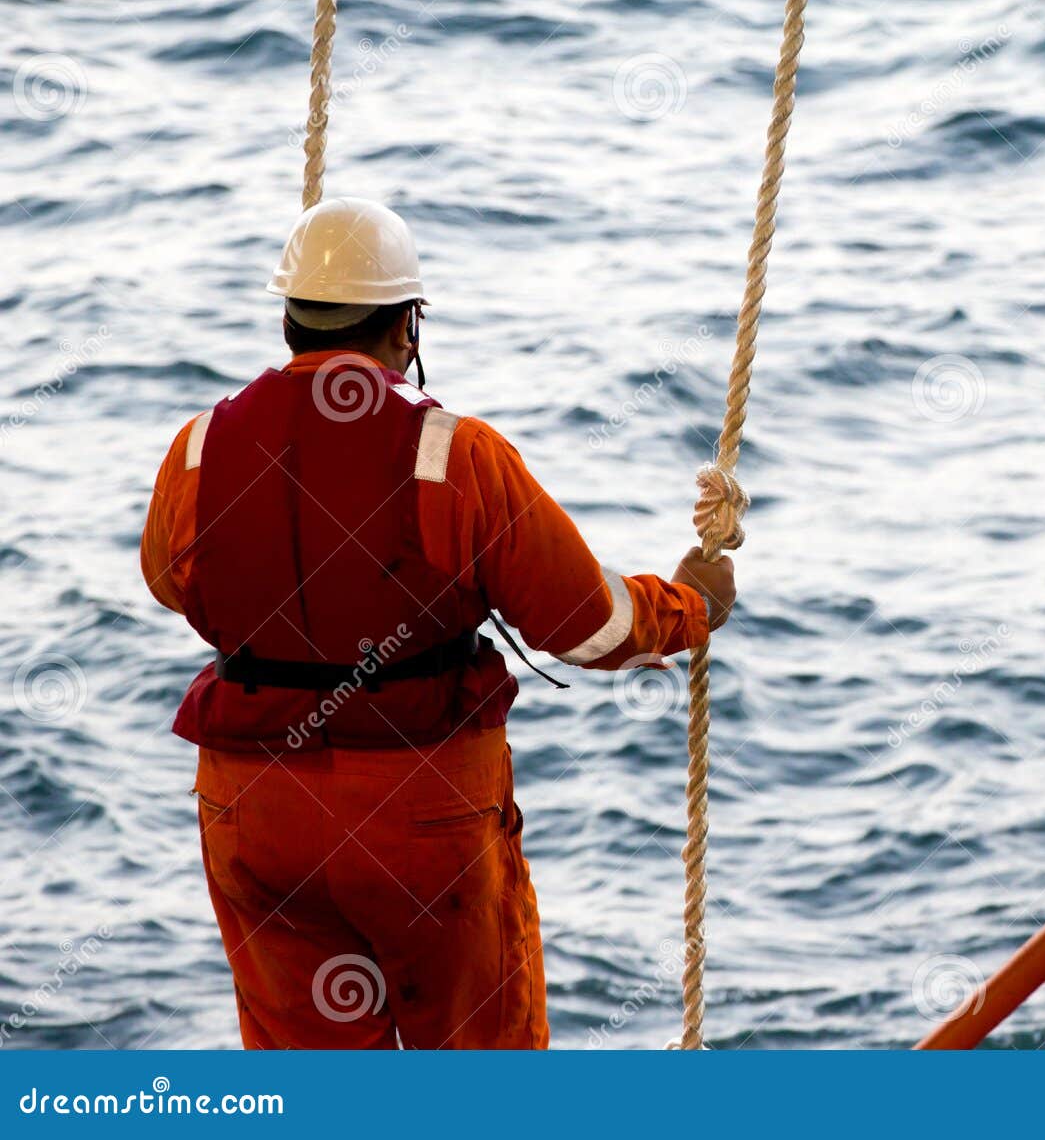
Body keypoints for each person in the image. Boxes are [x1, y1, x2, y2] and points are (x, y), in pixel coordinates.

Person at [139, 196, 736, 1049]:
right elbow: (589, 626)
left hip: (254, 811)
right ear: (407, 328)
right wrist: (691, 603)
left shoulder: (200, 447)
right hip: (420, 817)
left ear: (287, 321)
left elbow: (169, 582)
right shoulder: (451, 454)